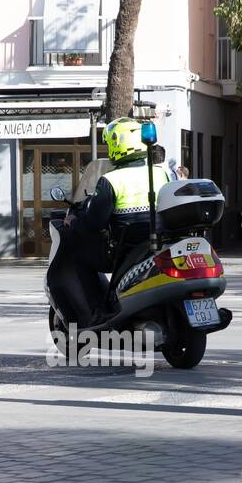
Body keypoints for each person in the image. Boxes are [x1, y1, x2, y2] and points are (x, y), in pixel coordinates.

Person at [57, 117, 170, 326]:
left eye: (110, 144)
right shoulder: (161, 173)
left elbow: (94, 223)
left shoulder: (111, 180)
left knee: (79, 259)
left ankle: (96, 311)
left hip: (125, 246)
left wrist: (74, 222)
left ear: (117, 145)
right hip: (159, 240)